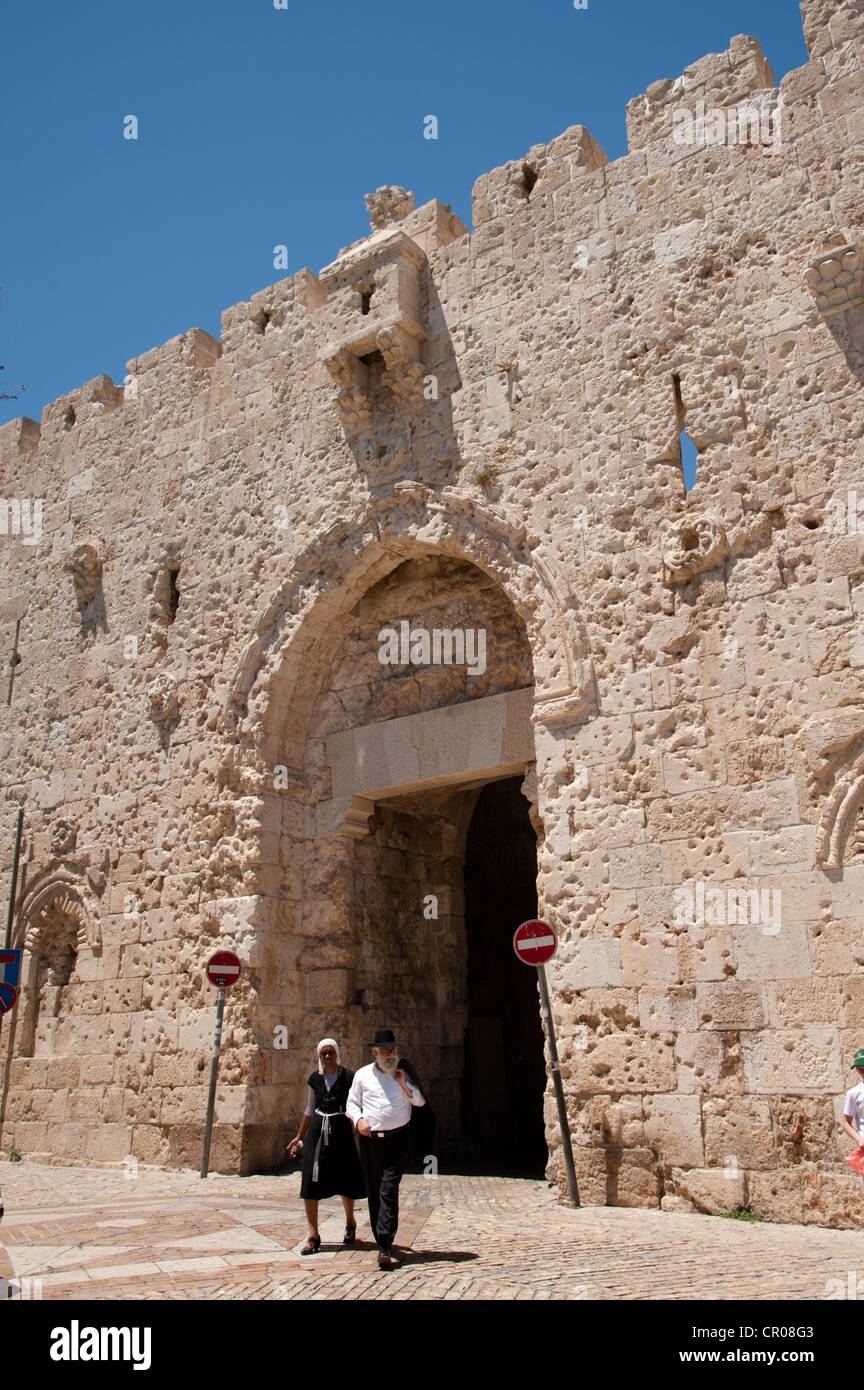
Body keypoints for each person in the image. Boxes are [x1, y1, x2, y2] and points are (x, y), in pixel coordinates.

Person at [346, 1026, 426, 1270]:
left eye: (393, 1050)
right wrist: (358, 1120)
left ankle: (384, 1241)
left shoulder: (403, 1074)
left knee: (389, 1187)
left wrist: (404, 1085)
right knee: (374, 1187)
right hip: (371, 1140)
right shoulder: (362, 1076)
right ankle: (382, 1236)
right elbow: (351, 1103)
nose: (391, 1055)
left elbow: (420, 1102)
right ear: (375, 1053)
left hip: (399, 1139)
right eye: (386, 1051)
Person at [286, 1038, 366, 1255]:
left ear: (337, 1054)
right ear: (319, 1056)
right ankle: (313, 1235)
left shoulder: (349, 1077)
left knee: (346, 1179)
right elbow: (309, 1109)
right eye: (324, 1054)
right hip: (318, 1130)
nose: (327, 1057)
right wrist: (299, 1136)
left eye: (330, 1053)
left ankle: (350, 1223)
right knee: (310, 1180)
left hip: (341, 1128)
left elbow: (357, 1104)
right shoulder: (314, 1079)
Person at [841, 1049, 864, 1177]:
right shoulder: (854, 1093)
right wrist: (859, 1139)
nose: (862, 1073)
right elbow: (846, 1123)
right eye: (859, 1070)